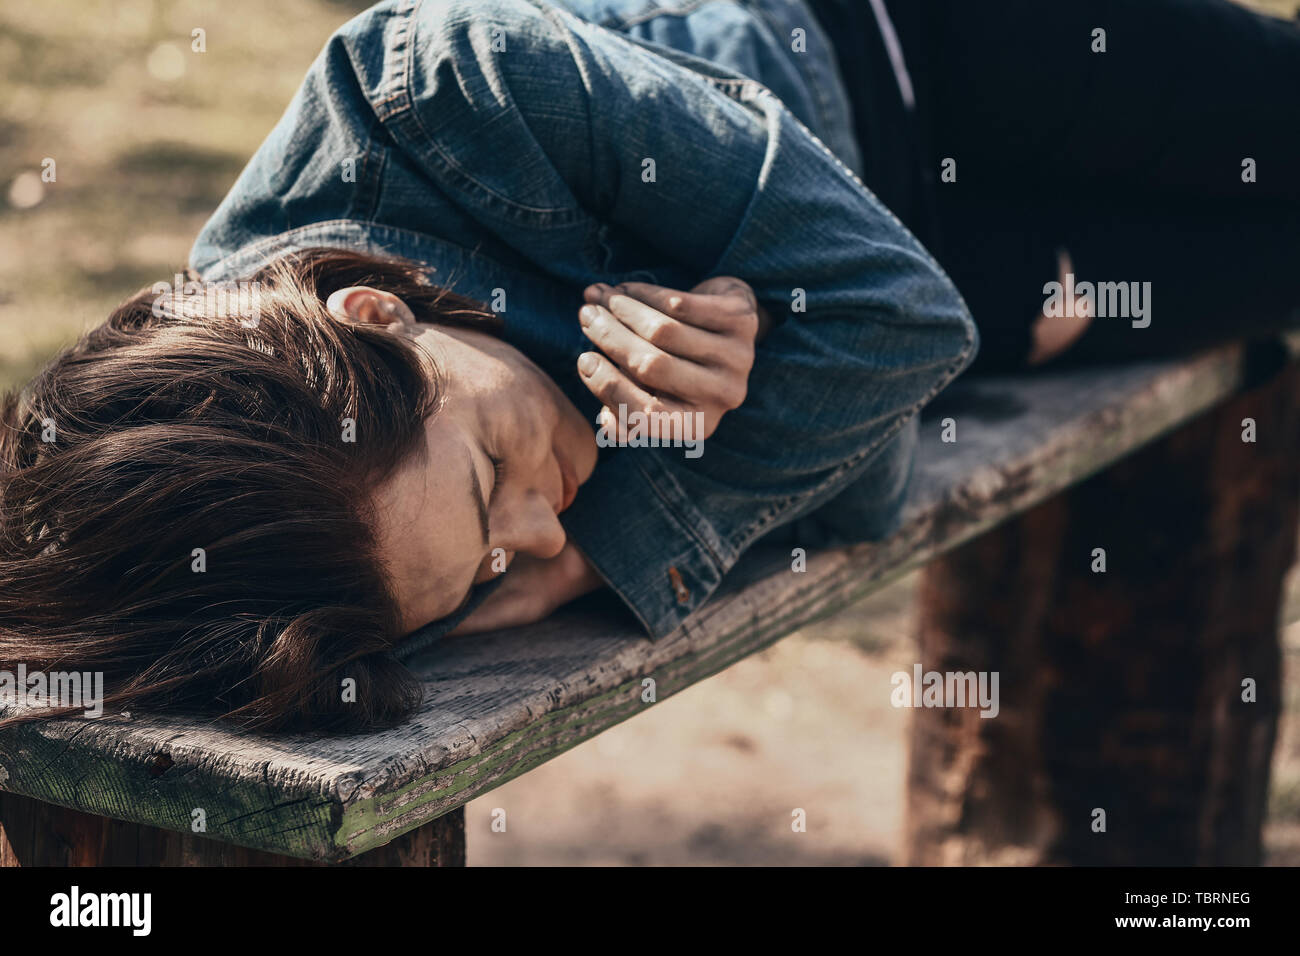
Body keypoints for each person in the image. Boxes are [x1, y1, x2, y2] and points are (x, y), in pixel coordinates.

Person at [1, 0, 1293, 731]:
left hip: (911, 50)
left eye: (492, 475)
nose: (534, 525)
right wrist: (775, 379)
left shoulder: (448, 83)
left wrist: (622, 536)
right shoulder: (315, 532)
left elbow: (894, 325)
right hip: (933, 258)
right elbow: (878, 466)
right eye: (493, 569)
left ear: (377, 319)